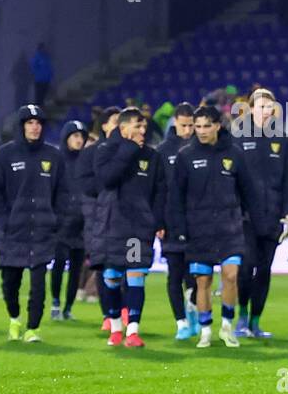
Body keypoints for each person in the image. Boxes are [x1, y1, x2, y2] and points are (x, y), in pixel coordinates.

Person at [168, 105, 259, 349]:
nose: (201, 131)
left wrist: (257, 221)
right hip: (199, 229)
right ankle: (206, 330)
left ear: (218, 125)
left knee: (231, 276)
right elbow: (175, 195)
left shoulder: (235, 154)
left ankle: (227, 327)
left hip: (230, 227)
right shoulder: (186, 156)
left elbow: (249, 191)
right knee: (203, 282)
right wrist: (177, 227)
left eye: (206, 125)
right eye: (197, 126)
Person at [0, 105, 71, 343]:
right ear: (21, 126)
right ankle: (14, 318)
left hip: (43, 232)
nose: (35, 127)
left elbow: (64, 192)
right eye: (30, 123)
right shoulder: (4, 155)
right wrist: (4, 221)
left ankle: (33, 329)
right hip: (12, 232)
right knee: (10, 284)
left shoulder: (53, 156)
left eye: (39, 123)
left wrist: (57, 219)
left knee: (38, 285)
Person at [94, 106, 166, 347]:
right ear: (123, 128)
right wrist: (128, 149)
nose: (143, 131)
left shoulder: (153, 157)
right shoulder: (105, 150)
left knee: (135, 276)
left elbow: (159, 192)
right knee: (112, 278)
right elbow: (108, 179)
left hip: (138, 228)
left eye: (144, 126)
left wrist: (158, 221)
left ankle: (133, 331)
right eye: (137, 126)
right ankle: (115, 327)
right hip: (112, 226)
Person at [234, 89, 288, 339]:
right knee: (246, 267)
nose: (266, 112)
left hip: (272, 216)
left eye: (269, 108)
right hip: (245, 217)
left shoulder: (281, 140)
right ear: (251, 109)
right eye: (261, 107)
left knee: (264, 270)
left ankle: (255, 321)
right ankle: (241, 316)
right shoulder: (237, 137)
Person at [157, 104, 200, 338]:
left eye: (190, 125)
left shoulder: (199, 148)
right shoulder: (163, 150)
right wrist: (159, 222)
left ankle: (193, 313)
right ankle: (181, 322)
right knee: (174, 274)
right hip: (171, 222)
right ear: (175, 122)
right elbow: (159, 189)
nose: (187, 130)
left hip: (195, 222)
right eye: (183, 125)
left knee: (194, 276)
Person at [81, 107, 121, 335]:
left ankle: (124, 312)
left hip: (125, 222)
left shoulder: (130, 152)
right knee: (105, 269)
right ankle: (108, 313)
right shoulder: (90, 154)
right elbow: (86, 187)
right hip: (99, 221)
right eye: (115, 121)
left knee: (127, 268)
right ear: (104, 126)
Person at [49, 120, 88, 322]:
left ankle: (68, 307)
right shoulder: (57, 160)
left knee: (76, 269)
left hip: (81, 226)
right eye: (75, 136)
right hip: (61, 224)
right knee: (58, 265)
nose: (79, 140)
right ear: (66, 138)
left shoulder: (87, 162)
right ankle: (55, 302)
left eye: (81, 136)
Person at [31, 43, 54, 107]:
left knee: (43, 95)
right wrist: (37, 75)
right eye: (43, 48)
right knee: (39, 96)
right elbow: (33, 68)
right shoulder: (37, 57)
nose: (44, 49)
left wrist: (51, 75)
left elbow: (49, 67)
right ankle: (38, 108)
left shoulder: (46, 57)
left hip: (46, 80)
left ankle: (41, 107)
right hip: (39, 80)